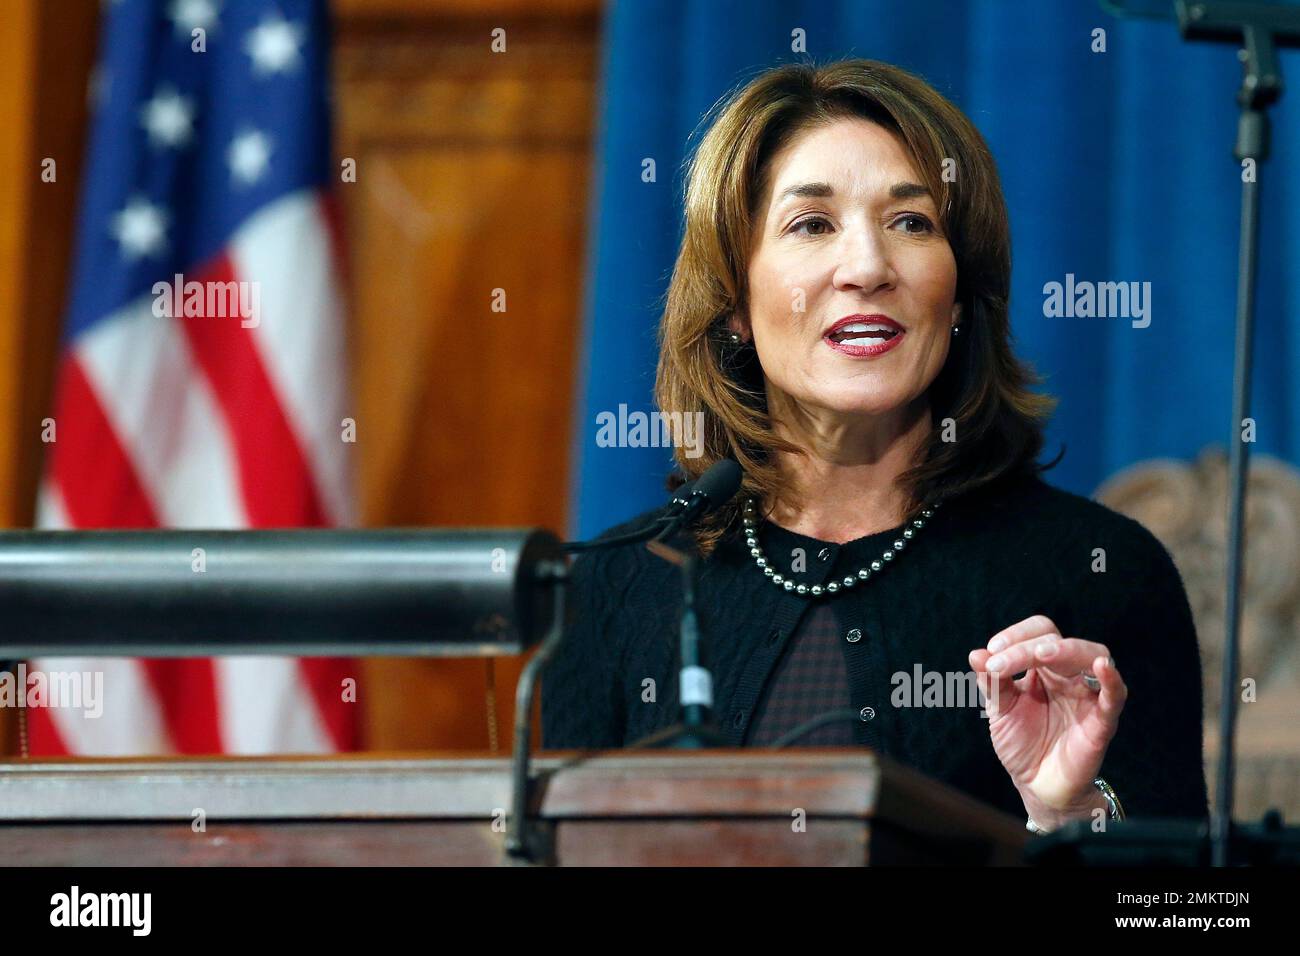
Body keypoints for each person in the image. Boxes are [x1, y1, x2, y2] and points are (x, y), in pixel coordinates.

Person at [542, 59, 1208, 831]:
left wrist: (1067, 814)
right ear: (734, 303)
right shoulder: (617, 588)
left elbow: (1177, 895)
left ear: (958, 298)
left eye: (911, 223)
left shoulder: (1102, 575)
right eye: (811, 224)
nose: (867, 267)